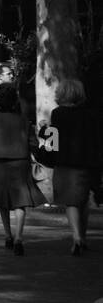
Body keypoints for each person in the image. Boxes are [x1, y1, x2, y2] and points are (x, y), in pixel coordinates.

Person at [0, 82, 45, 254]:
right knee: (20, 201)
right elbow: (33, 144)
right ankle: (19, 237)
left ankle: (8, 236)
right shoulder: (23, 120)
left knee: (2, 200)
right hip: (20, 162)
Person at [37, 78, 103, 255]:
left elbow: (54, 139)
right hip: (87, 162)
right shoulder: (91, 114)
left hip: (65, 162)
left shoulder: (58, 113)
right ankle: (84, 235)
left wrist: (44, 129)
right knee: (83, 201)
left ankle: (76, 238)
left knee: (71, 202)